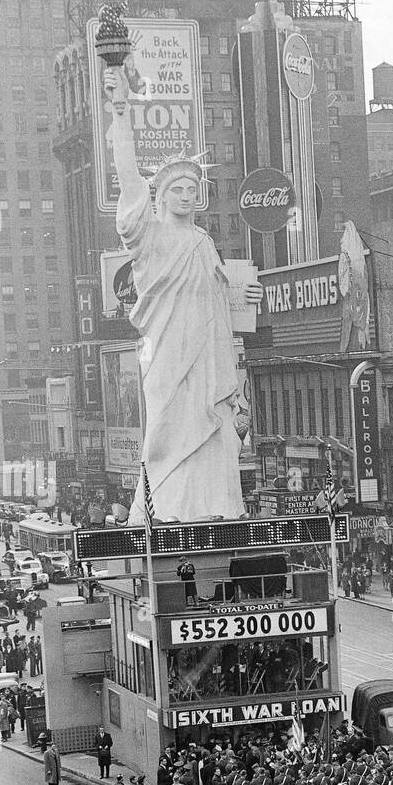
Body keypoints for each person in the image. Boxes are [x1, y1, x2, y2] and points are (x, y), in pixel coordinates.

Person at [103, 66, 261, 525]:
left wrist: (242, 293)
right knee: (168, 432)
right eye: (178, 188)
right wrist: (120, 110)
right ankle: (167, 512)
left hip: (209, 360)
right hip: (168, 353)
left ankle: (217, 510)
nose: (188, 195)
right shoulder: (150, 236)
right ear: (163, 195)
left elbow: (220, 301)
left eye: (194, 189)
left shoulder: (204, 242)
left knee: (211, 429)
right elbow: (129, 176)